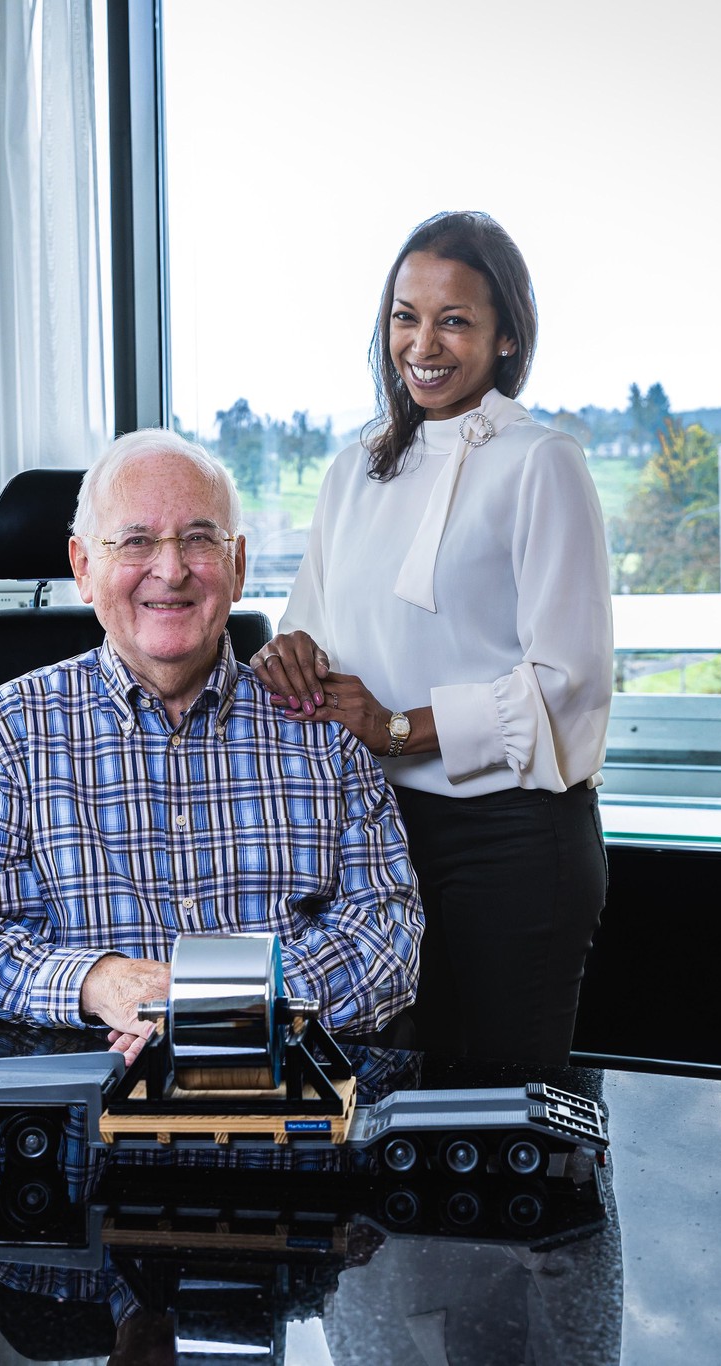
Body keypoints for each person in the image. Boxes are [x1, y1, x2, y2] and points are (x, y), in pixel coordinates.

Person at [0, 429, 424, 1062]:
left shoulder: (321, 732)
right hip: (80, 1099)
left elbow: (388, 943)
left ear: (237, 567)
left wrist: (221, 1005)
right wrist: (99, 983)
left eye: (199, 538)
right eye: (136, 541)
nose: (171, 571)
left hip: (287, 1097)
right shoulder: (3, 736)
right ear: (83, 568)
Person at [250, 210, 612, 1067]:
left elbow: (568, 679)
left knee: (502, 1104)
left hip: (513, 839)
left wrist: (397, 728)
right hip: (374, 836)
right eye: (405, 317)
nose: (424, 344)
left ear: (507, 338)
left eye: (454, 320)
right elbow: (313, 627)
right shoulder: (352, 470)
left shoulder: (542, 461)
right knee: (393, 1094)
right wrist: (286, 654)